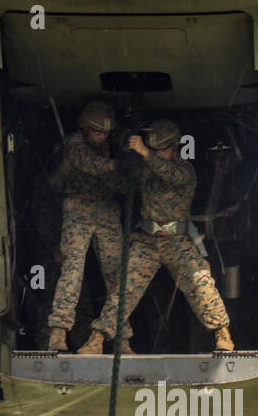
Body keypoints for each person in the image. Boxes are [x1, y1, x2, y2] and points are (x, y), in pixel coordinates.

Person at [81, 118, 234, 355]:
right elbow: (123, 184)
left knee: (201, 285)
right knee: (123, 290)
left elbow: (171, 175)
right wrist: (123, 164)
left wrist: (144, 154)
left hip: (176, 242)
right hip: (147, 242)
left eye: (161, 149)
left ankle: (222, 334)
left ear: (175, 147)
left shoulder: (185, 170)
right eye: (154, 149)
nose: (156, 153)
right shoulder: (146, 169)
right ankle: (97, 338)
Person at [47, 101, 125, 352]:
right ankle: (58, 333)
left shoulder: (109, 145)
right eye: (96, 131)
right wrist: (115, 165)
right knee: (72, 271)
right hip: (78, 209)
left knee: (118, 275)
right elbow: (88, 163)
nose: (101, 137)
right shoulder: (75, 144)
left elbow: (119, 182)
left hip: (106, 210)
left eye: (105, 133)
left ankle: (122, 338)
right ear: (85, 128)